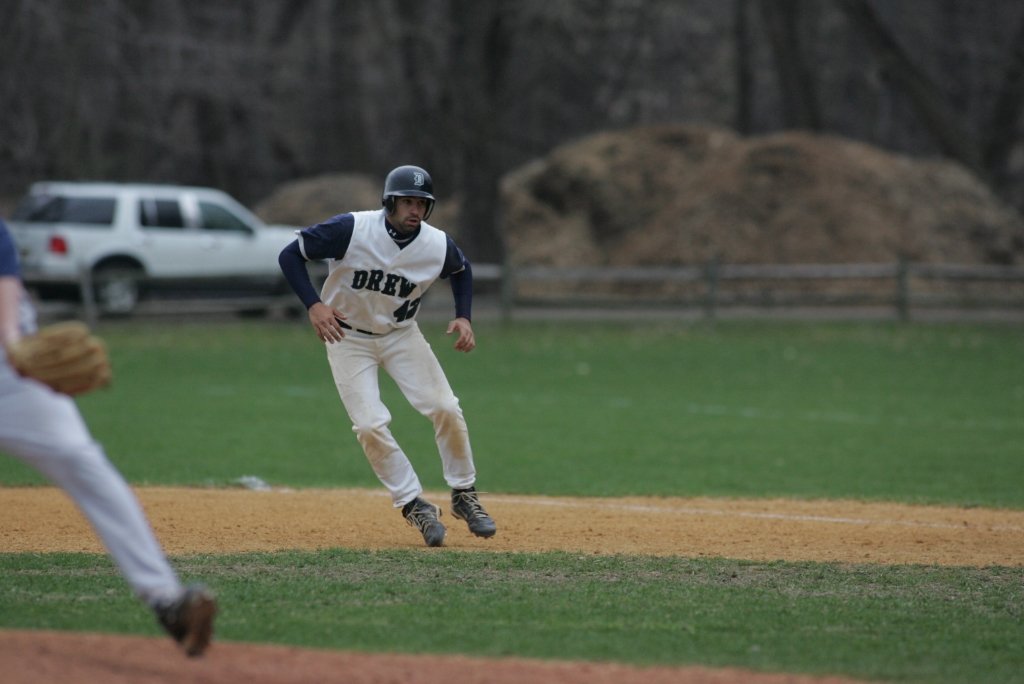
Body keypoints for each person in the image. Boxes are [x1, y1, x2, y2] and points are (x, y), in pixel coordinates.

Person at [0, 217, 216, 656]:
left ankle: (167, 601)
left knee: (82, 460)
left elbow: (5, 277)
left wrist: (12, 341)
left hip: (10, 367)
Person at [278, 165, 496, 547]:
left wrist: (463, 316)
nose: (415, 210)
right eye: (407, 202)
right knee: (368, 425)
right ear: (390, 202)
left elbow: (461, 270)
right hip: (346, 337)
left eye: (422, 204)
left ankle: (464, 494)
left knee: (445, 406)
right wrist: (314, 304)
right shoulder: (352, 229)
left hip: (401, 335)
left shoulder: (436, 244)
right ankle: (414, 504)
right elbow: (290, 255)